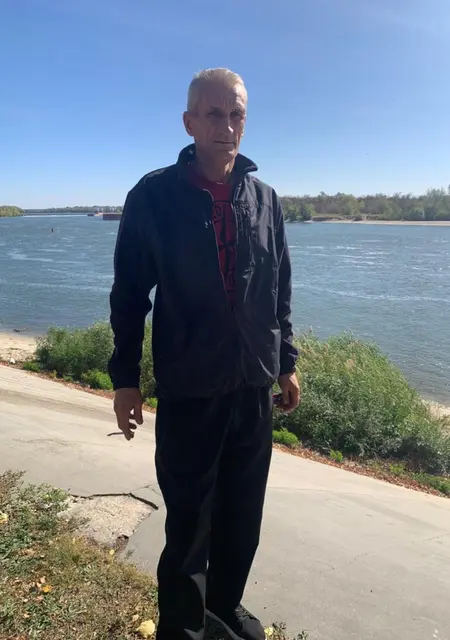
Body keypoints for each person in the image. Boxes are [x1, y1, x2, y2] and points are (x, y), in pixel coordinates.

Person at [108, 68, 300, 640]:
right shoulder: (153, 196)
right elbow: (129, 293)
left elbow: (279, 287)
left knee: (243, 514)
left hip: (252, 384)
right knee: (190, 521)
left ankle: (224, 606)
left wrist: (286, 362)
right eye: (214, 114)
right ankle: (184, 628)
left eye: (236, 114)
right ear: (189, 122)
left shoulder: (265, 199)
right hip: (190, 386)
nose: (227, 126)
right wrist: (125, 379)